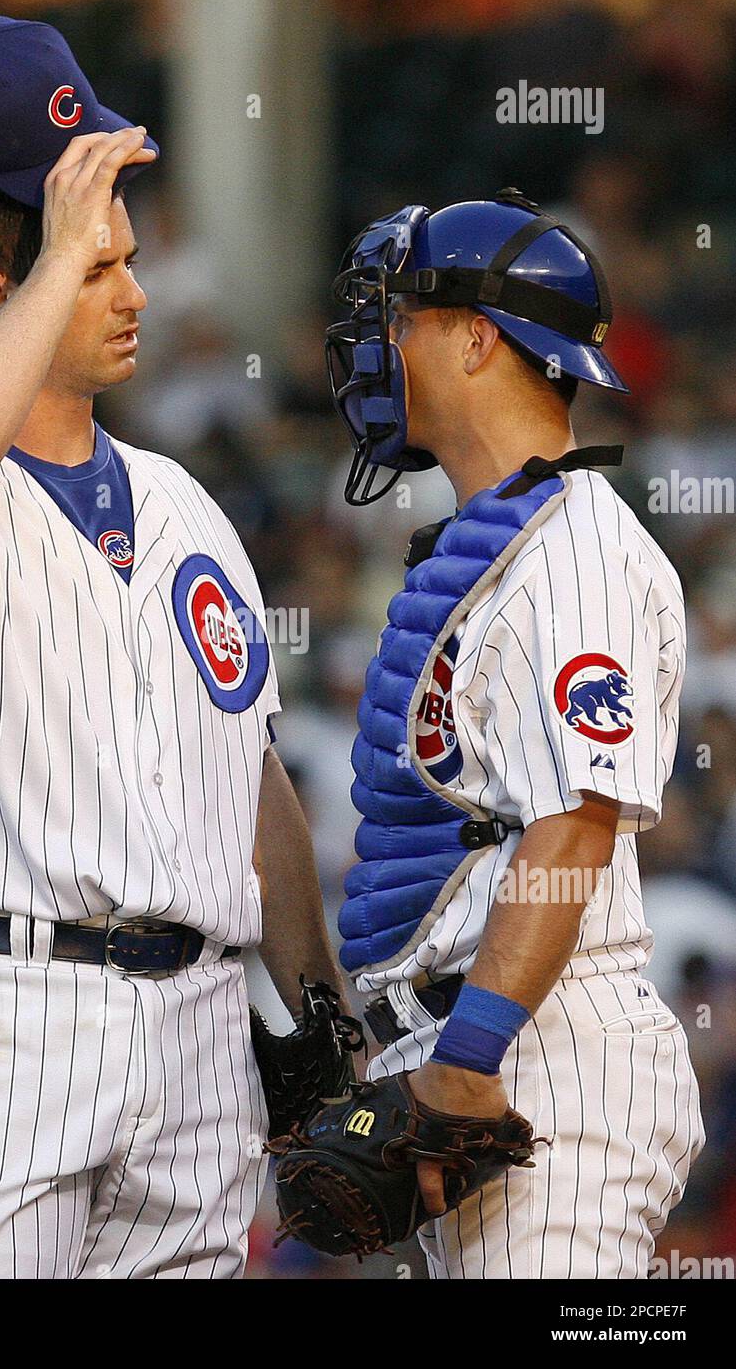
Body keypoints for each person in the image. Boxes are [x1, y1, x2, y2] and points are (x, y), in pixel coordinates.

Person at [0, 16, 341, 1280]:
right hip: (10, 1018)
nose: (135, 289)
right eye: (97, 264)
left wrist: (320, 1019)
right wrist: (59, 252)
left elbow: (251, 773)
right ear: (4, 289)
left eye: (119, 256)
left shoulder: (181, 499)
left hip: (202, 1031)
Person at [324, 189, 704, 1278]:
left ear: (479, 338)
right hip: (487, 1047)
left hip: (542, 1055)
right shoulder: (510, 539)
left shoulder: (576, 553)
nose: (377, 342)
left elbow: (574, 827)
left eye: (400, 314)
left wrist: (468, 1053)